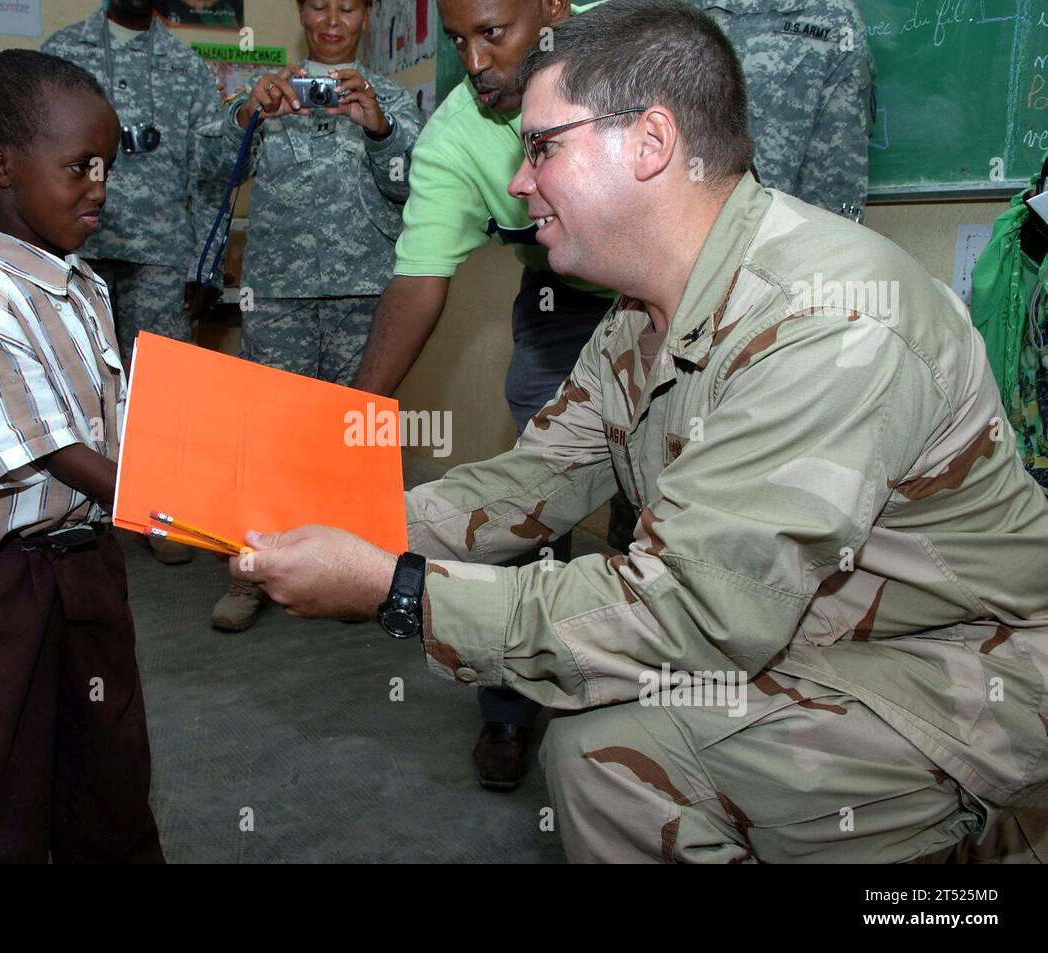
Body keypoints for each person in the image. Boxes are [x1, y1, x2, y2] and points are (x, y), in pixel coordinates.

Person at [229, 0, 1048, 863]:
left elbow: (686, 611)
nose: (517, 180)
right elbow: (529, 483)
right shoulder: (643, 314)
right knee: (602, 743)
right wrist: (333, 519)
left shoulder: (826, 322)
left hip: (952, 674)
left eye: (543, 146)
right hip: (813, 635)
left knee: (610, 753)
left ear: (651, 144)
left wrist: (397, 591)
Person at [350, 0, 619, 792]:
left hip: (674, 290)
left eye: (492, 34)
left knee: (670, 504)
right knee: (535, 504)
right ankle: (510, 704)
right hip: (561, 305)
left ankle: (646, 699)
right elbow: (418, 279)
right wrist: (349, 415)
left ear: (553, 11)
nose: (472, 64)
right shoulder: (456, 135)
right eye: (458, 40)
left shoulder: (630, 42)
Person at [0, 50, 164, 863]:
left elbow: (117, 421)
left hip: (89, 561)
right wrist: (169, 502)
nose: (99, 183)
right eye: (78, 166)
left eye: (105, 165)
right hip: (5, 583)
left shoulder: (86, 288)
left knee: (109, 761)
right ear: (0, 164)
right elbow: (59, 451)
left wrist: (161, 483)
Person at [200, 0, 423, 633]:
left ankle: (366, 576)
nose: (332, 19)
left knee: (359, 441)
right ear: (301, 13)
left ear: (368, 15)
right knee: (268, 441)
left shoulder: (393, 100)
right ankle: (249, 576)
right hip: (278, 294)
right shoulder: (264, 94)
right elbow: (212, 171)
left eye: (347, 6)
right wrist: (248, 114)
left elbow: (416, 187)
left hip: (365, 294)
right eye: (318, 5)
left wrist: (378, 128)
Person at [43, 0, 223, 565]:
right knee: (73, 381)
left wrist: (206, 261)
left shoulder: (188, 67)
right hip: (77, 246)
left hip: (161, 248)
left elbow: (208, 173)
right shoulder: (59, 55)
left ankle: (161, 514)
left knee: (164, 389)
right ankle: (79, 503)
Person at [698, 0, 875, 220]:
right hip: (661, 239)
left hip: (774, 241)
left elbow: (835, 182)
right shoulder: (656, 11)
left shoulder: (832, 18)